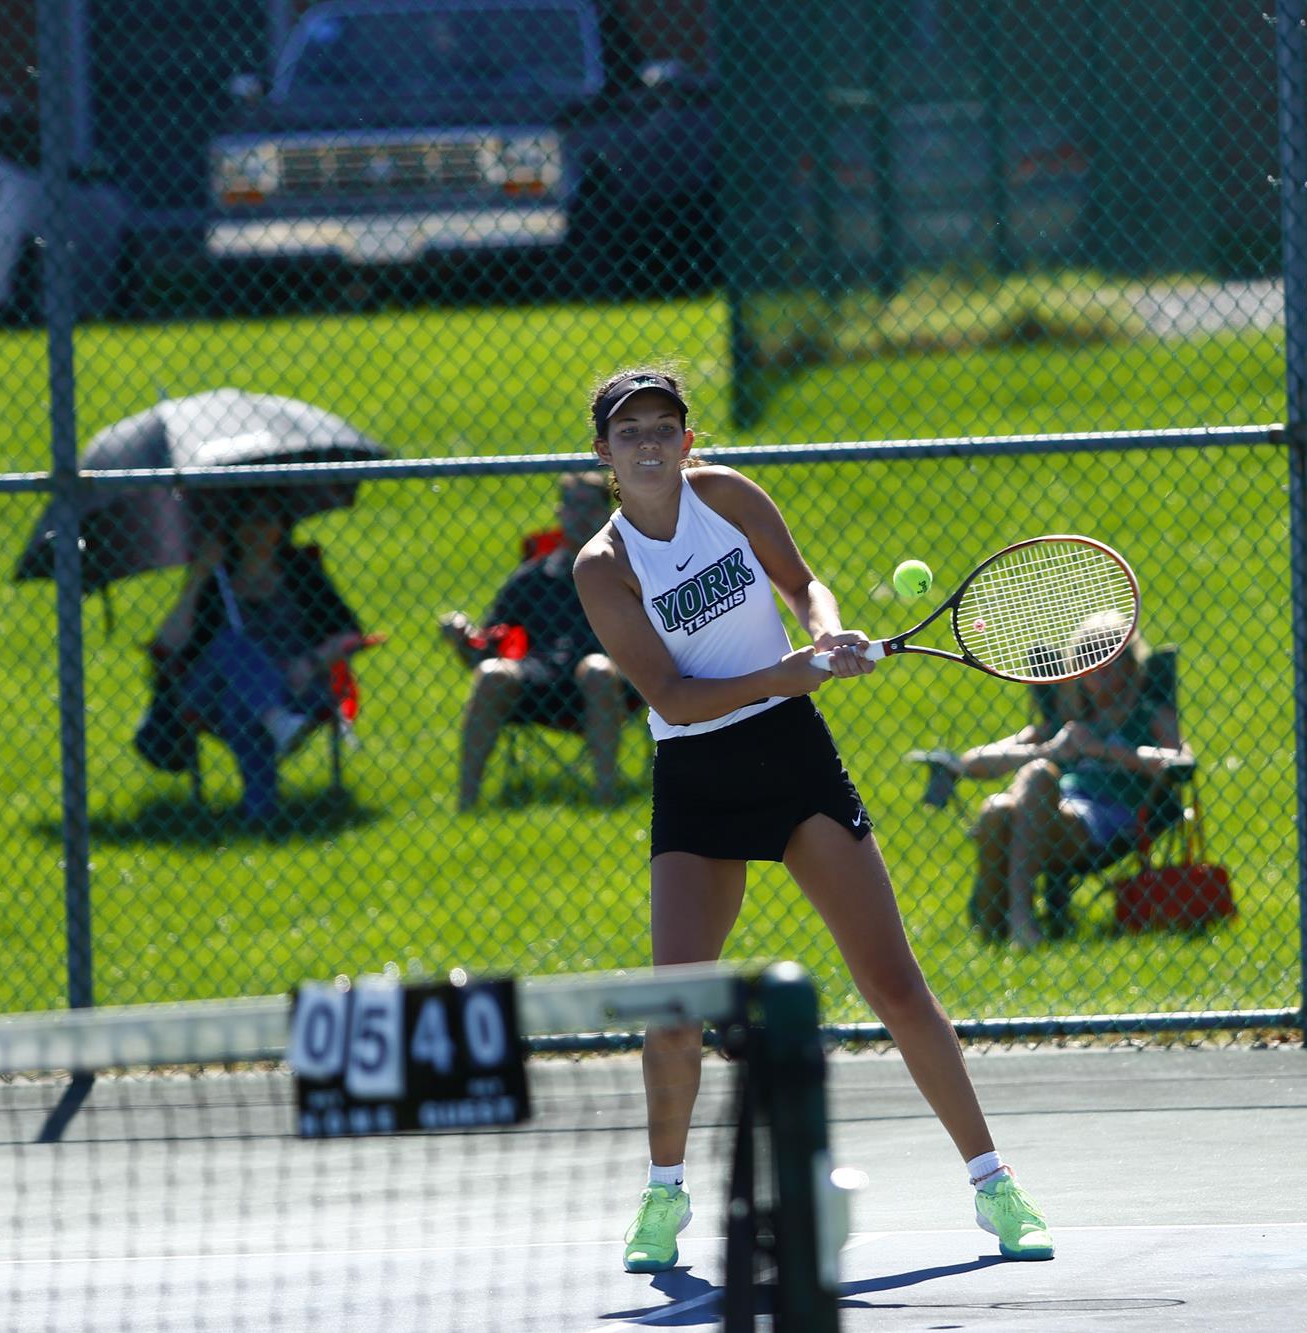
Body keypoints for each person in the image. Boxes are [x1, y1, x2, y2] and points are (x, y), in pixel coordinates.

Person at [570, 366, 1054, 1274]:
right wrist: (784, 674)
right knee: (676, 1011)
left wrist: (825, 632)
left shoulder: (726, 496)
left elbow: (802, 584)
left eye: (663, 427)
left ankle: (995, 1183)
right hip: (698, 777)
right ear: (604, 453)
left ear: (687, 439)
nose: (648, 443)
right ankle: (663, 1193)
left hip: (793, 756)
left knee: (896, 985)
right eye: (629, 431)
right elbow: (671, 693)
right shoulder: (604, 566)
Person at [945, 622, 1192, 947]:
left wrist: (1100, 750)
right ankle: (994, 935)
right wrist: (1050, 750)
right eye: (1088, 657)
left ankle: (1020, 919)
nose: (1099, 667)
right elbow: (972, 762)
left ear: (1131, 665)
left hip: (1110, 819)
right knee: (997, 809)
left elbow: (1180, 761)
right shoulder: (1065, 721)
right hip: (1052, 813)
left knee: (1036, 778)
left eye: (1110, 657)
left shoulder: (1149, 714)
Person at [146, 488, 372, 823]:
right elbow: (168, 644)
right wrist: (198, 577)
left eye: (266, 518)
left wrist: (308, 663)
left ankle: (261, 818)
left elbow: (350, 634)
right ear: (232, 526)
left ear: (282, 524)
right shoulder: (216, 578)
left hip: (294, 686)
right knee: (230, 645)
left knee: (241, 707)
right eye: (247, 519)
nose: (257, 528)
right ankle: (275, 720)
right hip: (210, 689)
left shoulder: (301, 572)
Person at [438, 471, 637, 810]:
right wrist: (461, 639)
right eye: (572, 506)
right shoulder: (534, 576)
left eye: (590, 507)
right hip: (543, 678)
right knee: (492, 674)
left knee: (596, 669)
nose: (580, 515)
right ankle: (467, 804)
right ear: (559, 513)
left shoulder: (629, 569)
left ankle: (605, 798)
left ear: (609, 513)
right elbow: (485, 648)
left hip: (616, 680)